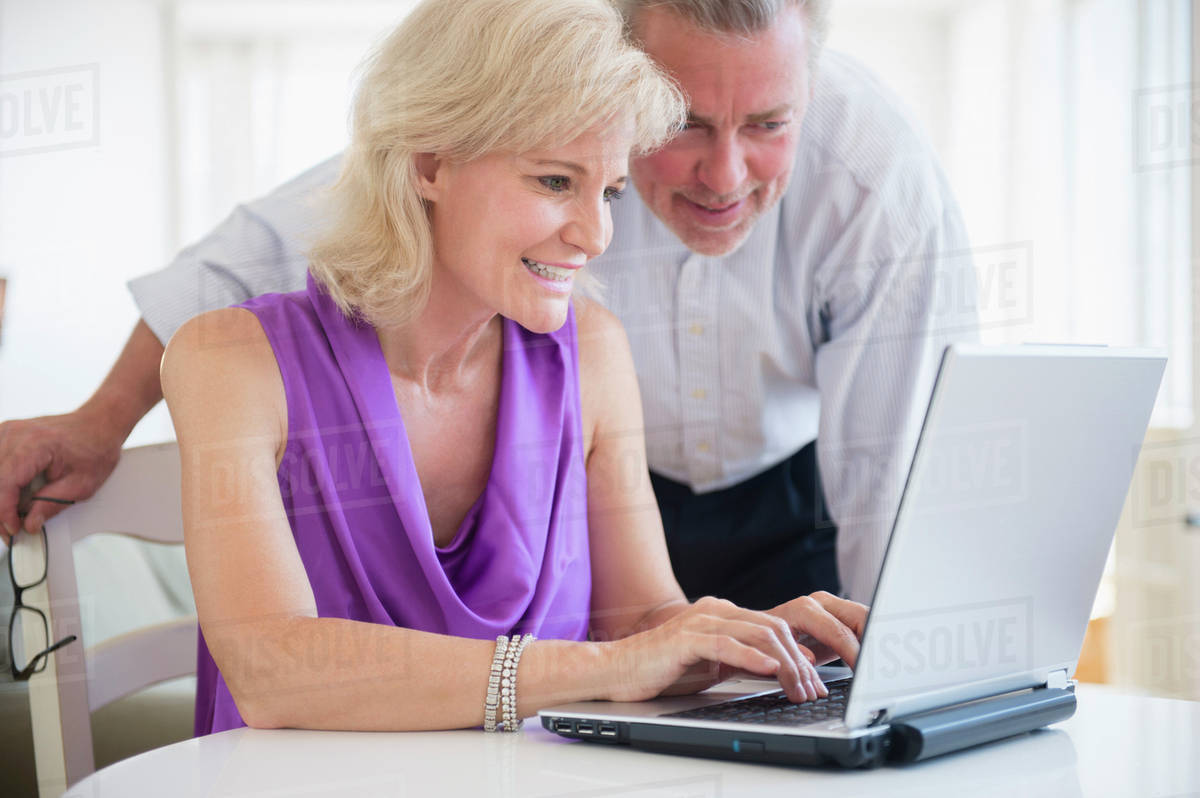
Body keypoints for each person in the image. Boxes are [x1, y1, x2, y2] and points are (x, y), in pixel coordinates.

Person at [0, 0, 977, 607]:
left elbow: (898, 481)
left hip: (793, 501)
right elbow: (245, 257)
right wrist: (97, 422)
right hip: (588, 505)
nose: (725, 175)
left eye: (768, 124)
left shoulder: (875, 182)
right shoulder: (554, 116)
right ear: (622, 70)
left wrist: (909, 683)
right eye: (679, 123)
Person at [160, 0, 867, 734]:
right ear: (429, 162)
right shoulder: (231, 364)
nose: (595, 235)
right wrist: (600, 669)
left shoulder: (593, 352)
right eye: (555, 182)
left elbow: (642, 622)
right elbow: (274, 674)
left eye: (610, 191)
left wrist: (727, 641)